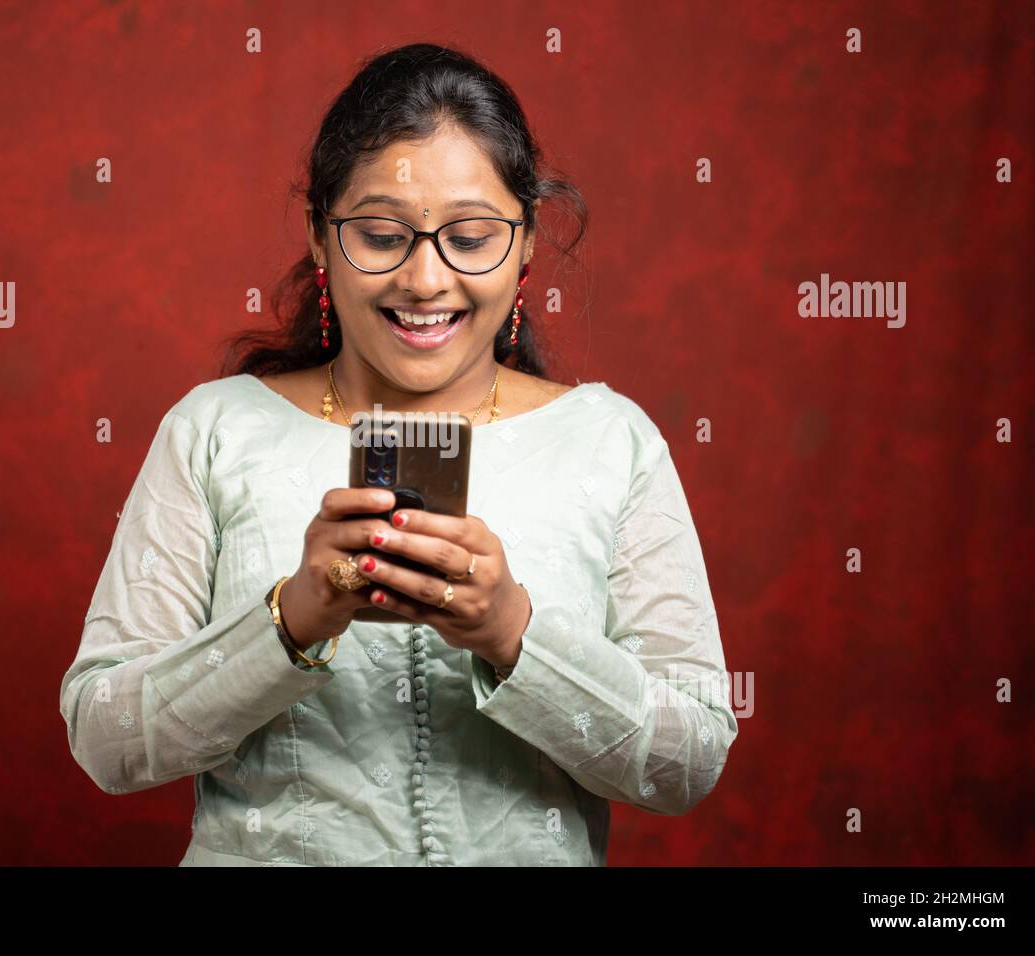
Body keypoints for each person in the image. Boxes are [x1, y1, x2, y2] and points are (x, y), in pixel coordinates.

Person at [59, 42, 738, 866]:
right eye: (380, 235)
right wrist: (293, 617)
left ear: (525, 245)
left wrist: (512, 632)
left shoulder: (609, 442)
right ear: (319, 235)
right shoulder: (215, 431)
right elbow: (107, 741)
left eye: (472, 236)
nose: (425, 278)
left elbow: (689, 759)